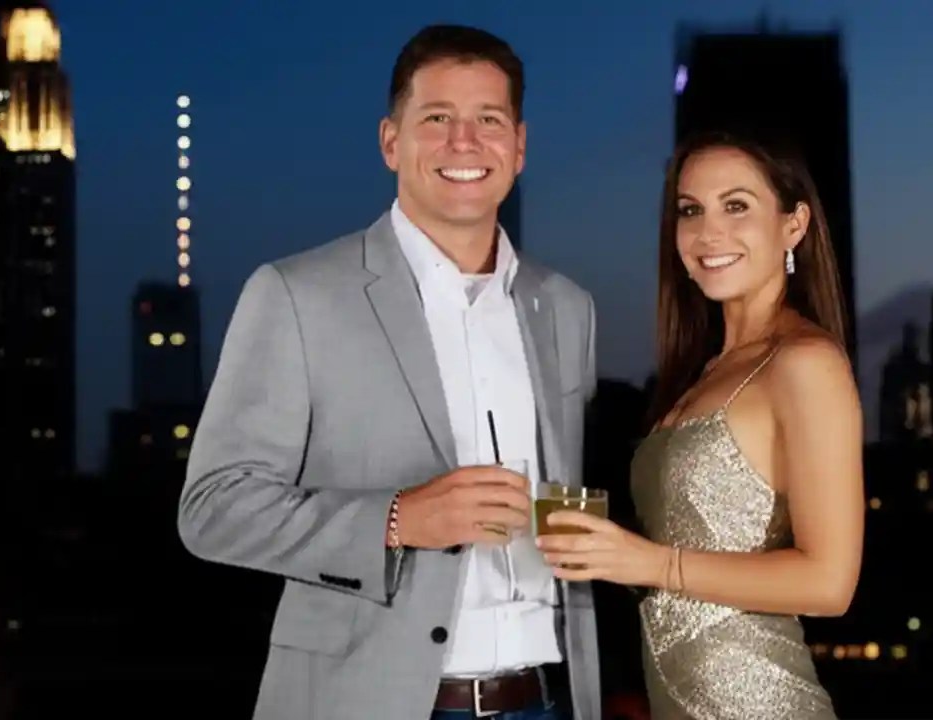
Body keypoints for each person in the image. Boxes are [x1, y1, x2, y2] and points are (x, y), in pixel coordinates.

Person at [178, 24, 601, 720]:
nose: (464, 142)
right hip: (369, 700)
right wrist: (399, 519)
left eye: (488, 120)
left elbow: (567, 501)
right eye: (437, 119)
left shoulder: (566, 307)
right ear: (390, 141)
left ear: (519, 146)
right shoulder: (297, 295)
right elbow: (212, 509)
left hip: (547, 699)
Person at [536, 131, 863, 719]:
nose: (709, 232)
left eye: (736, 206)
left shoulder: (805, 362)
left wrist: (648, 563)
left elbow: (829, 584)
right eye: (691, 211)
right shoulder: (703, 371)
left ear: (794, 225)